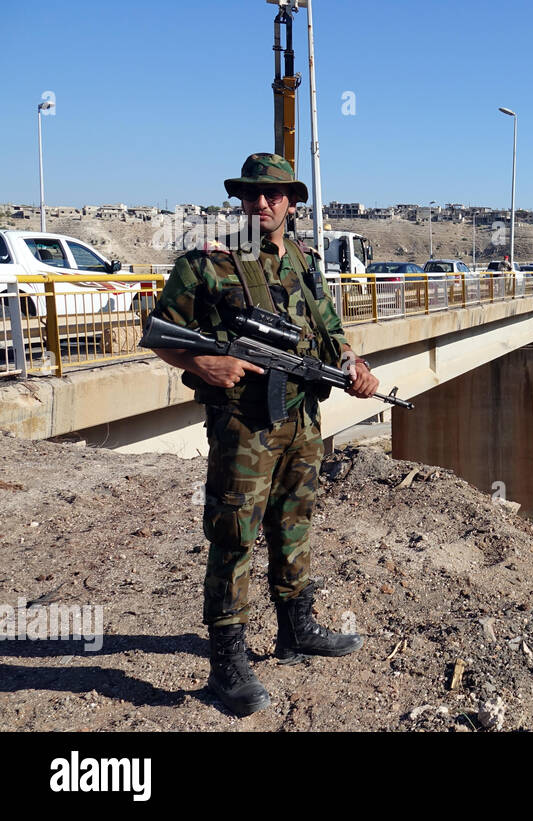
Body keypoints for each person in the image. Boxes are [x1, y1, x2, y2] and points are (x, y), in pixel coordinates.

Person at [149, 153, 379, 717]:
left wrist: (355, 366)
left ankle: (295, 628)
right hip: (244, 425)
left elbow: (332, 330)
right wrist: (203, 366)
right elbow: (157, 334)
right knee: (234, 535)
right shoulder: (209, 264)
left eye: (274, 195)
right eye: (252, 195)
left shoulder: (304, 260)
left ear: (291, 202)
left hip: (301, 417)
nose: (263, 203)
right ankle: (227, 661)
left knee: (293, 521)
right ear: (241, 201)